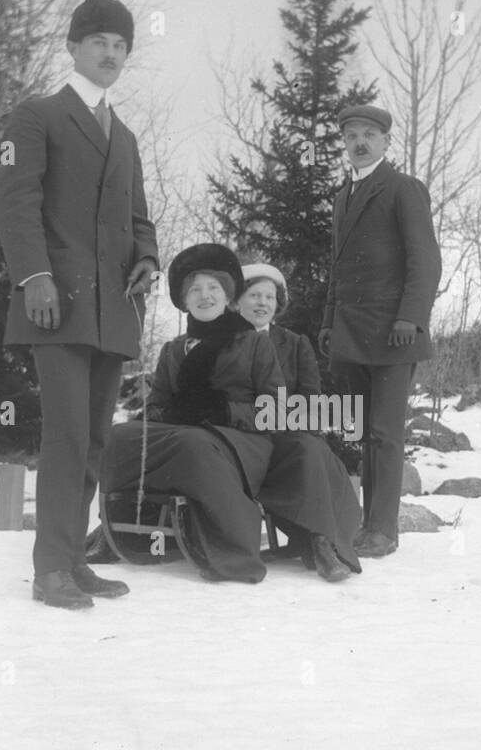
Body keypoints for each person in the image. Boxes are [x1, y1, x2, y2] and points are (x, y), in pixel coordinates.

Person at [0, 0, 159, 609]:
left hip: (112, 310)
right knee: (64, 435)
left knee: (93, 438)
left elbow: (140, 218)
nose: (111, 54)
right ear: (73, 47)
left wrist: (146, 257)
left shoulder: (127, 136)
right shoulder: (36, 116)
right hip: (55, 304)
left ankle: (73, 560)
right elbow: (14, 202)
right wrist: (33, 275)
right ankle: (49, 572)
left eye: (120, 47)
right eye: (100, 43)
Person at [101, 244, 356, 584]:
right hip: (189, 433)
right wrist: (172, 411)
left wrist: (221, 409)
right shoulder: (173, 349)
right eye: (195, 290)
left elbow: (277, 409)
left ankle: (231, 547)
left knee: (193, 443)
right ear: (183, 300)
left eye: (213, 289)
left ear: (227, 297)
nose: (204, 296)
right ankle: (117, 528)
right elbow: (157, 404)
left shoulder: (252, 343)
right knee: (120, 436)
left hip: (244, 440)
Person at [319, 105, 442, 559]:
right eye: (352, 135)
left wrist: (410, 316)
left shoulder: (403, 189)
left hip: (395, 333)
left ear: (387, 142)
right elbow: (337, 270)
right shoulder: (342, 197)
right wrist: (330, 322)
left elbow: (425, 259)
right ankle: (368, 526)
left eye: (370, 134)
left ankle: (383, 531)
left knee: (387, 434)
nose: (360, 142)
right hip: (354, 334)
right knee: (366, 432)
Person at [235, 264, 361, 576]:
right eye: (254, 295)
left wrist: (283, 422)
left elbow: (311, 401)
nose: (262, 303)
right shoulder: (224, 342)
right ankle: (316, 540)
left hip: (284, 436)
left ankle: (322, 544)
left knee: (309, 449)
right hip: (238, 435)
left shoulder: (293, 344)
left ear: (277, 305)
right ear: (237, 301)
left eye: (270, 297)